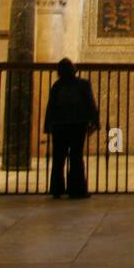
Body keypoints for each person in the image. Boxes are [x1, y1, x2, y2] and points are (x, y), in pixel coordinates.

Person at [44, 58, 99, 199]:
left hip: (60, 126)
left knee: (58, 158)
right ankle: (77, 190)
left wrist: (48, 125)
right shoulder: (83, 85)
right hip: (77, 125)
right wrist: (95, 121)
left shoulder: (57, 86)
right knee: (76, 157)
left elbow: (51, 108)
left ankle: (57, 189)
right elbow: (90, 104)